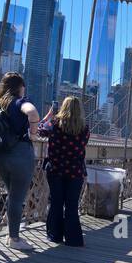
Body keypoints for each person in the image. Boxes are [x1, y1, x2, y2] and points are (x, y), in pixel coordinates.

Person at [0, 72, 39, 250]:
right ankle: (14, 239)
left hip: (2, 156)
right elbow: (32, 113)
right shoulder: (19, 102)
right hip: (21, 156)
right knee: (17, 198)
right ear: (19, 87)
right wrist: (33, 133)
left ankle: (11, 228)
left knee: (12, 196)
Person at [37, 95, 90, 246]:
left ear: (63, 108)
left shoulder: (54, 123)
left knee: (56, 203)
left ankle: (55, 236)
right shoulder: (85, 128)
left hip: (56, 170)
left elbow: (40, 129)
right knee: (72, 205)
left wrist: (48, 115)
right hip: (76, 172)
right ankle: (74, 239)